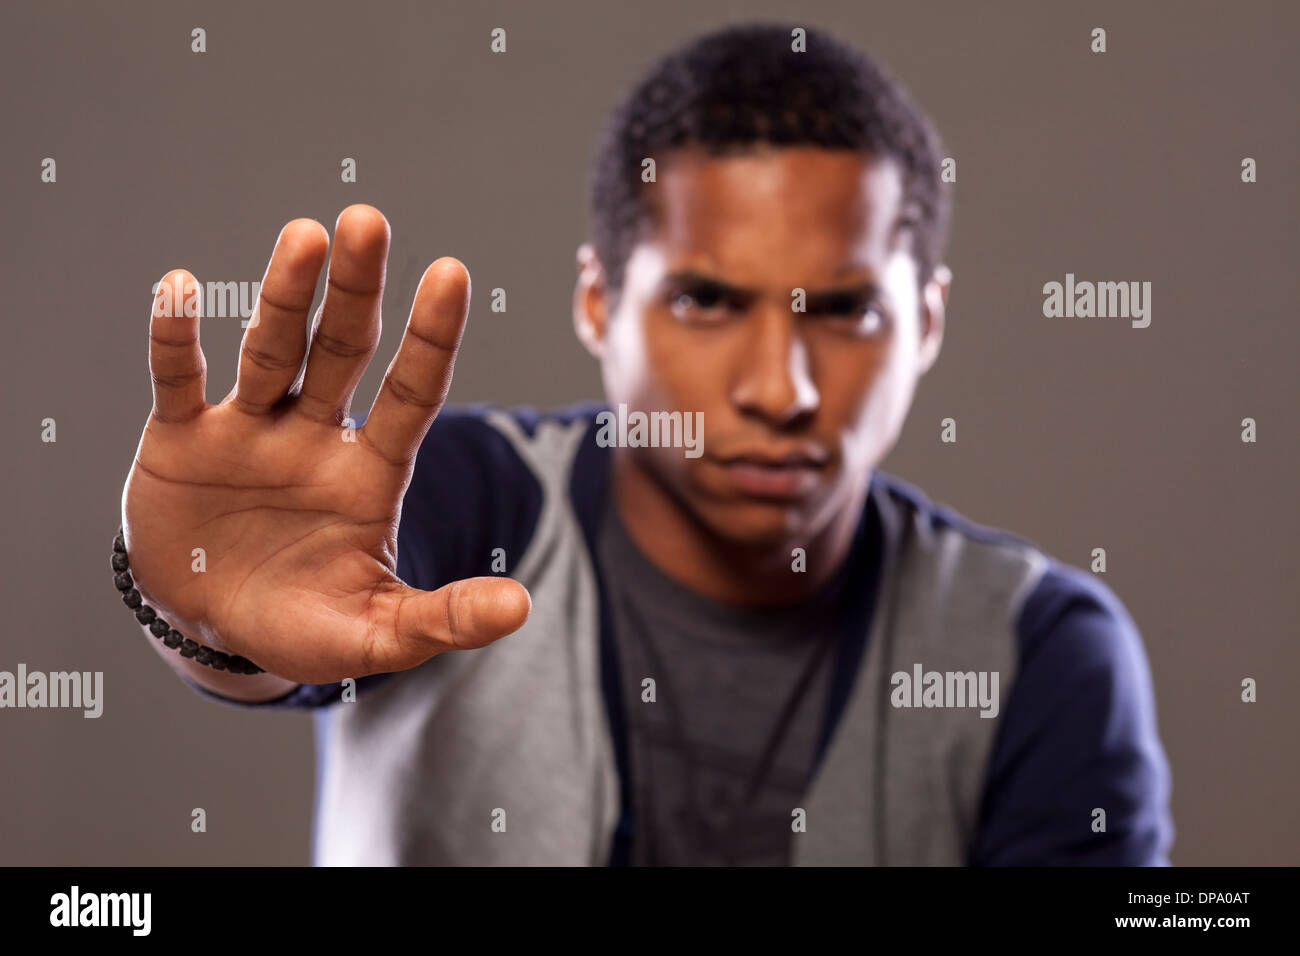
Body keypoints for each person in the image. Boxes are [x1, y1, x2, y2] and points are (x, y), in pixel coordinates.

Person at [116, 21, 1173, 865]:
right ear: (598, 302)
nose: (781, 389)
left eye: (844, 310)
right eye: (707, 301)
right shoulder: (466, 503)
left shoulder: (1039, 653)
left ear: (928, 322)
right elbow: (294, 619)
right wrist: (204, 610)